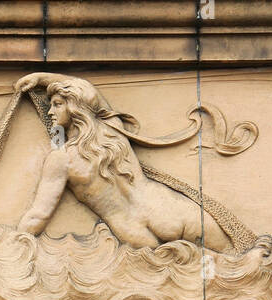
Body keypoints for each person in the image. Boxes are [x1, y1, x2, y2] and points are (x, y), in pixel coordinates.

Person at [13, 71, 233, 252]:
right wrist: (43, 78)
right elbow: (90, 94)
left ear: (74, 107)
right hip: (171, 208)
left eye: (57, 104)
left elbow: (38, 215)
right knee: (239, 266)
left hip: (133, 231)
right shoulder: (112, 131)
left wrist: (12, 247)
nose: (50, 111)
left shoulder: (62, 159)